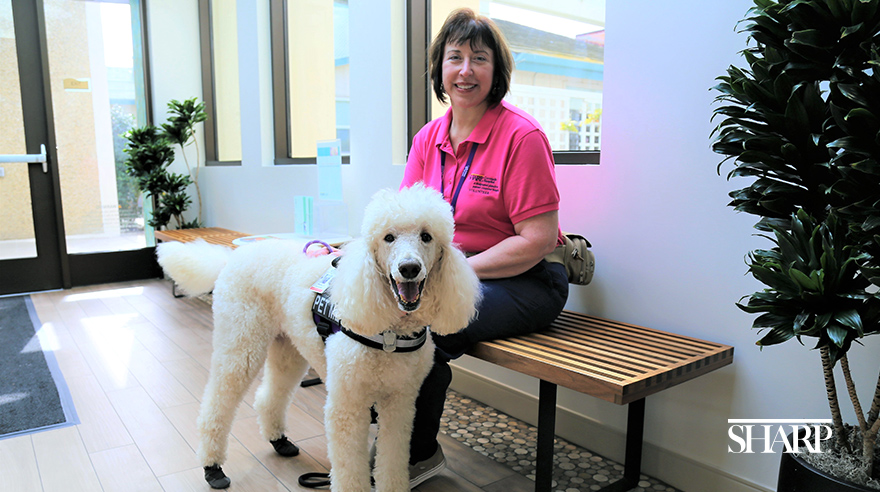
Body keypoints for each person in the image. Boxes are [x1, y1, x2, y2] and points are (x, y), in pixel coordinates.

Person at [398, 7, 569, 487]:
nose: (466, 70)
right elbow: (408, 221)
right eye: (454, 58)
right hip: (448, 272)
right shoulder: (427, 139)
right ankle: (392, 436)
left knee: (428, 328)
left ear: (496, 72)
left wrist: (452, 276)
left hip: (528, 279)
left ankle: (416, 454)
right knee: (379, 319)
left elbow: (535, 242)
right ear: (440, 70)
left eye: (479, 58)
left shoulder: (522, 136)